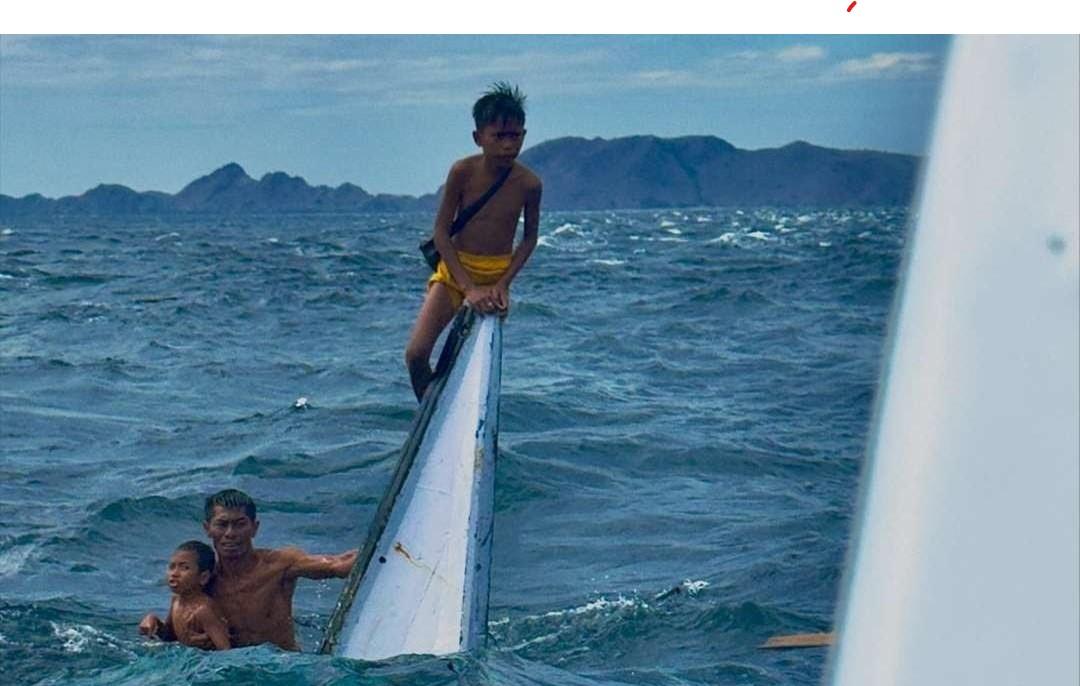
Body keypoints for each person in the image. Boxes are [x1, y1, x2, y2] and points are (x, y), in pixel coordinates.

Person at [405, 82, 543, 401]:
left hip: (496, 276)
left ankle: (462, 415)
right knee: (415, 354)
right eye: (499, 136)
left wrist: (503, 285)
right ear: (478, 137)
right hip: (456, 273)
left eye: (516, 136)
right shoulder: (462, 172)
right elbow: (441, 232)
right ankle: (427, 412)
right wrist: (468, 288)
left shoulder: (530, 184)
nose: (509, 145)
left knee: (473, 361)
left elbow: (529, 239)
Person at [139, 489, 357, 651]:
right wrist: (154, 625)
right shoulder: (201, 580)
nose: (230, 533)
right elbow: (173, 637)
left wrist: (391, 547)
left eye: (240, 524)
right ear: (208, 529)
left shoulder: (279, 564)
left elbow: (338, 565)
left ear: (254, 527)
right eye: (222, 525)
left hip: (286, 668)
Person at [138, 540, 231, 650]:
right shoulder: (176, 601)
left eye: (184, 568)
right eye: (172, 567)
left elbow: (225, 650)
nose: (174, 574)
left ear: (203, 577)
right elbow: (169, 637)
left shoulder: (203, 610)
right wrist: (154, 623)